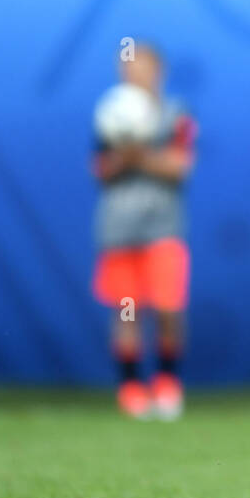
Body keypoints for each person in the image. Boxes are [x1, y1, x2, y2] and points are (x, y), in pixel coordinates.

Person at [91, 43, 197, 418]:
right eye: (126, 66)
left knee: (168, 308)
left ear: (157, 70)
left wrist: (141, 157)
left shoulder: (177, 114)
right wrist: (122, 157)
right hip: (118, 229)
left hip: (163, 227)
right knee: (126, 311)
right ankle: (131, 387)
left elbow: (181, 166)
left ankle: (167, 385)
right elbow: (99, 169)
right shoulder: (109, 112)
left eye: (140, 66)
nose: (132, 73)